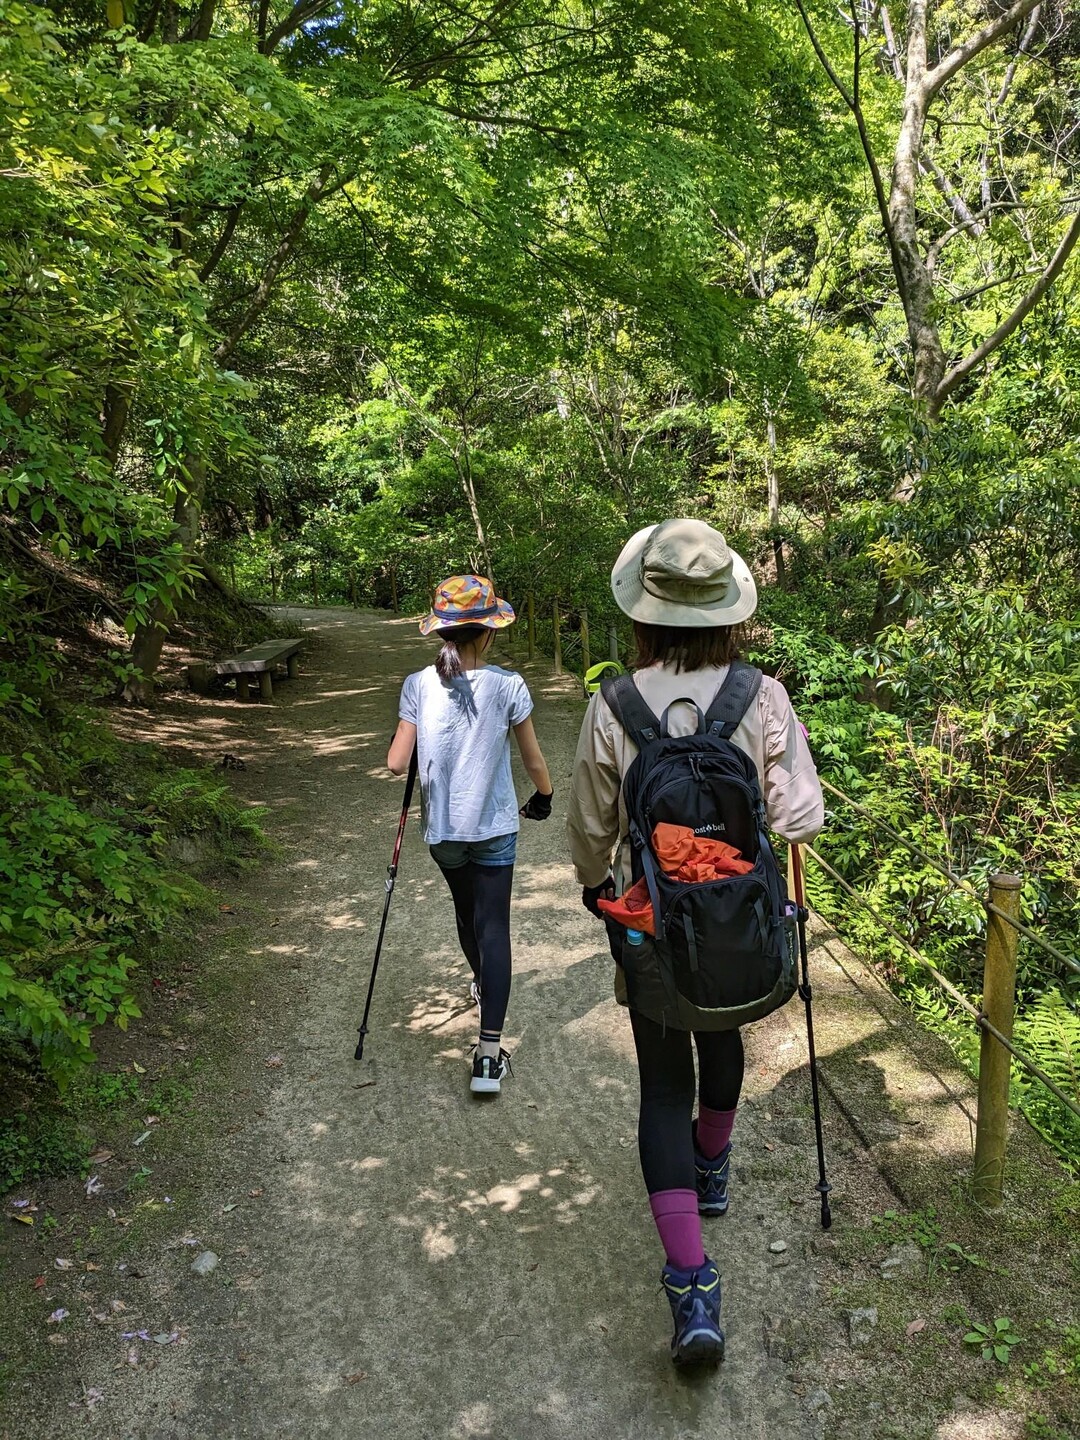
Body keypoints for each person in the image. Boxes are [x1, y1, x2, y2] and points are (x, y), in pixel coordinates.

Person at [565, 518, 824, 1364]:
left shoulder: (615, 704)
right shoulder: (764, 696)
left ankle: (693, 1288)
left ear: (646, 608)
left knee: (660, 1082)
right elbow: (799, 818)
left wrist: (596, 887)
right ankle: (713, 1166)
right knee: (726, 1040)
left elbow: (592, 824)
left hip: (654, 919)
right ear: (728, 610)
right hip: (740, 921)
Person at [387, 574, 553, 1094]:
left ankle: (481, 982)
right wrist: (543, 798)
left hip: (444, 833)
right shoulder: (509, 685)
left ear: (442, 633)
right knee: (494, 925)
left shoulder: (418, 685)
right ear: (487, 633)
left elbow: (396, 762)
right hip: (496, 827)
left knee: (467, 913)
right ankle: (487, 1057)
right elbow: (532, 758)